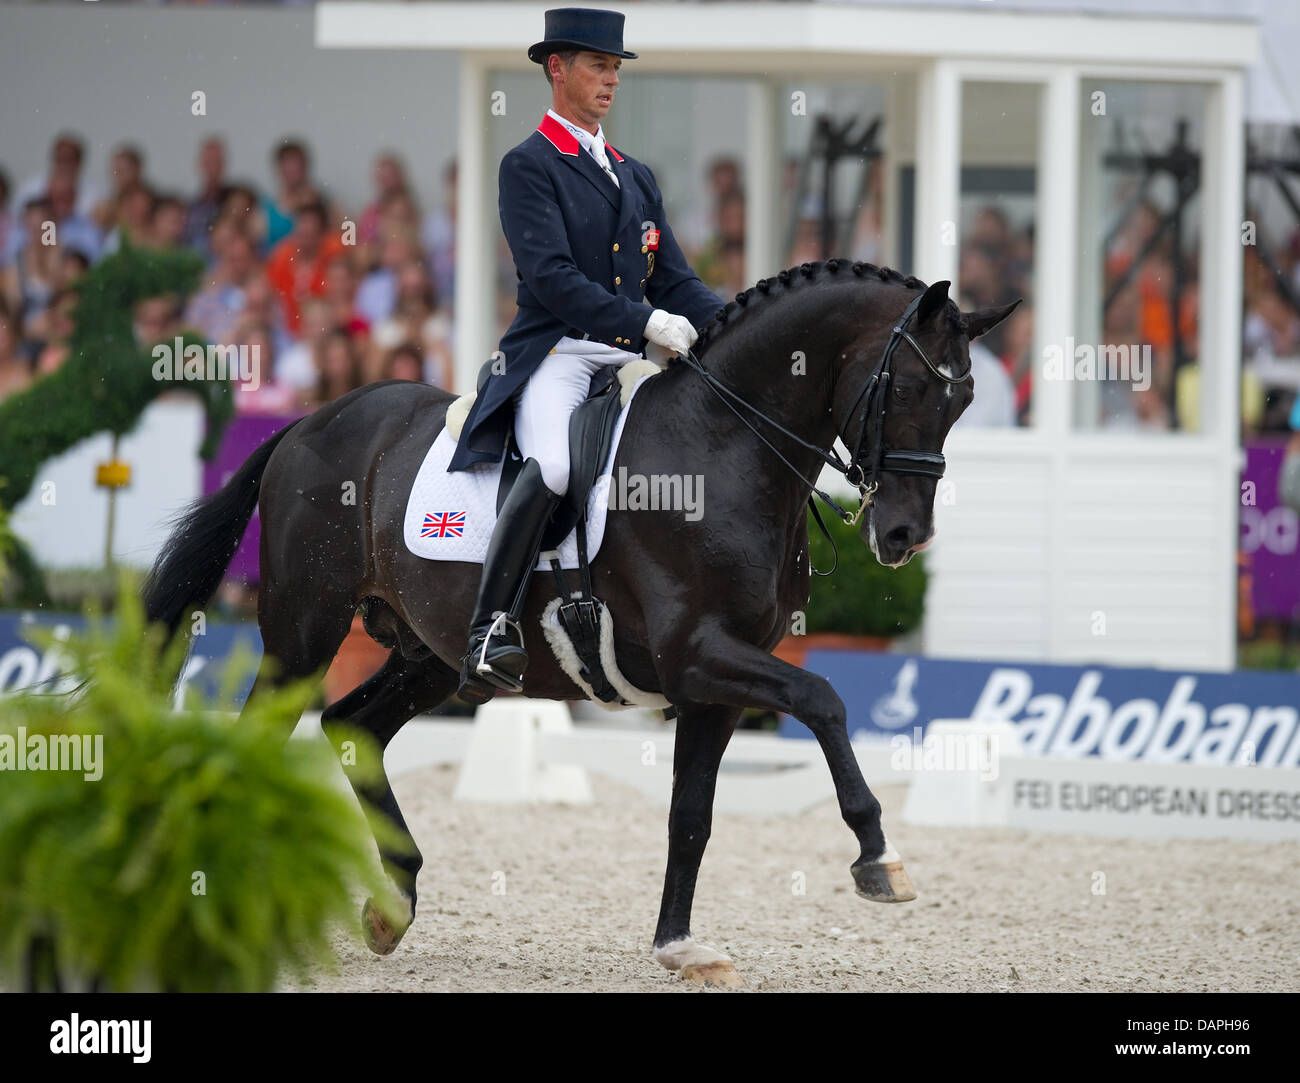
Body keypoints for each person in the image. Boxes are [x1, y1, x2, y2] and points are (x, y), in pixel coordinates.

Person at [448, 7, 723, 701]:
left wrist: (745, 325)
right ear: (557, 69)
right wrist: (645, 323)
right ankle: (490, 627)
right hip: (560, 354)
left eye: (615, 69)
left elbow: (678, 281)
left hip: (629, 355)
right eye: (598, 66)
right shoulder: (529, 165)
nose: (610, 80)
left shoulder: (635, 175)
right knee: (557, 464)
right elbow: (553, 280)